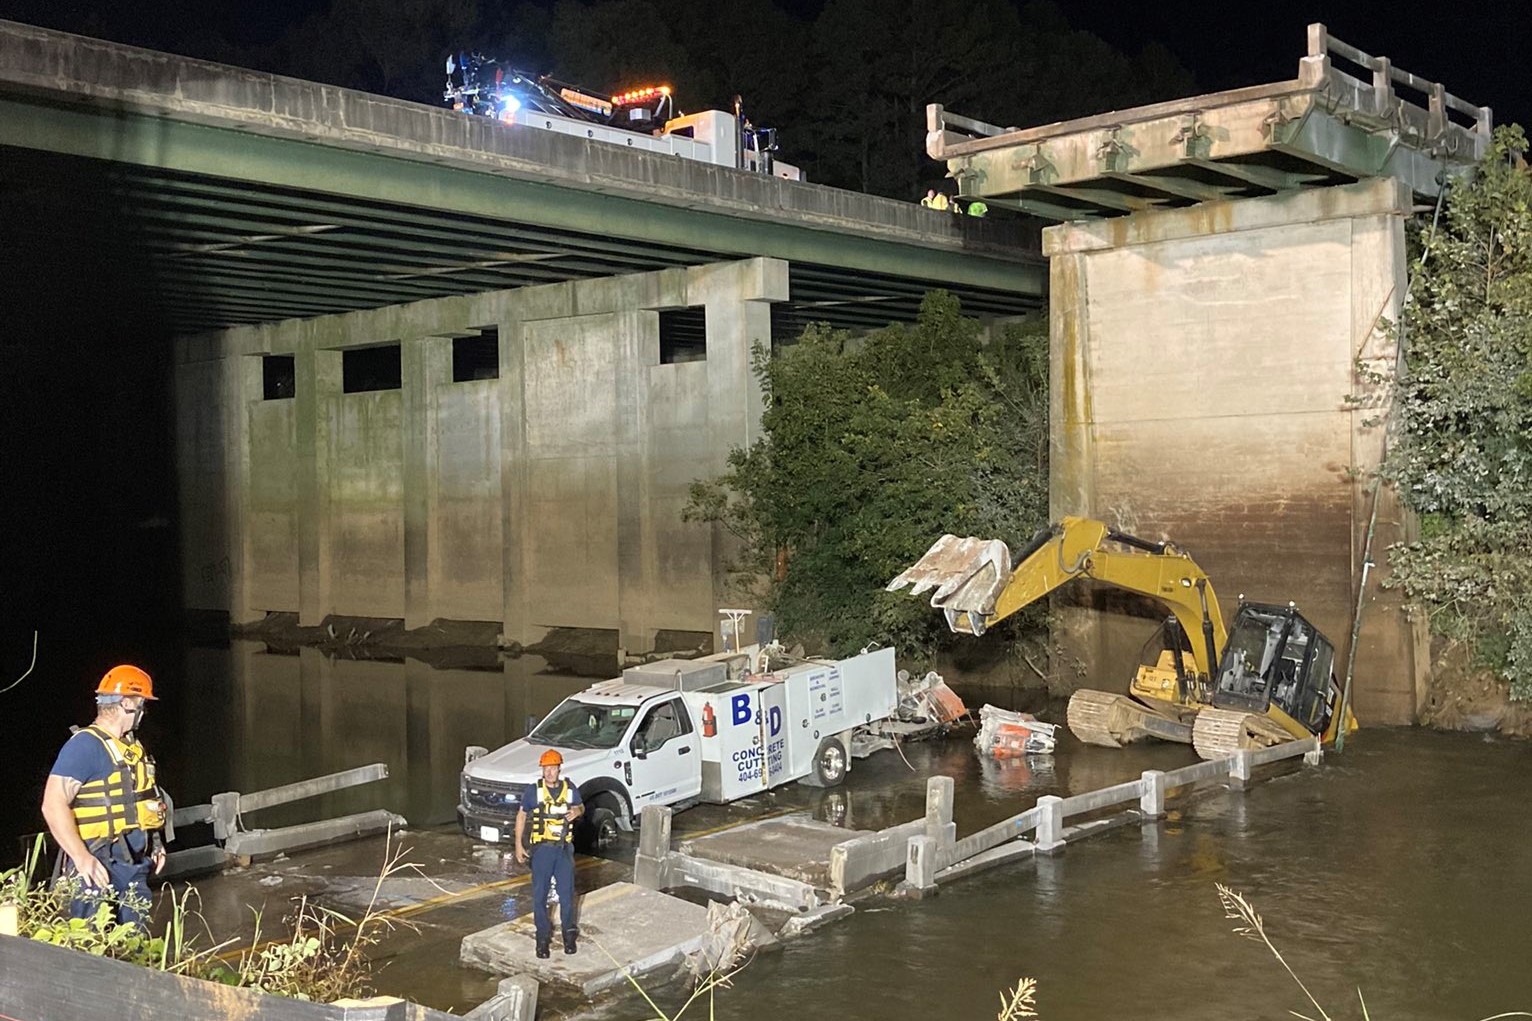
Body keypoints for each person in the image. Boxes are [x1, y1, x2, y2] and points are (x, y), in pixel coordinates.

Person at [40, 665, 169, 927]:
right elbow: (52, 804)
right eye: (142, 704)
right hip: (95, 863)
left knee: (134, 943)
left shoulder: (130, 746)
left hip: (132, 865)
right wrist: (81, 857)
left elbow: (142, 797)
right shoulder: (85, 746)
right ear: (127, 704)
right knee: (92, 945)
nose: (144, 712)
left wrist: (155, 843)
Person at [514, 749, 583, 958]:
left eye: (553, 768)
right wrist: (518, 844)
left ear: (559, 768)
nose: (550, 772)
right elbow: (521, 816)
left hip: (563, 849)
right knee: (540, 896)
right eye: (546, 768)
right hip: (542, 850)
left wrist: (578, 811)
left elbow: (581, 806)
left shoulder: (570, 789)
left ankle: (569, 936)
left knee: (567, 895)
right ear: (542, 770)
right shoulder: (533, 791)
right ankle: (542, 939)